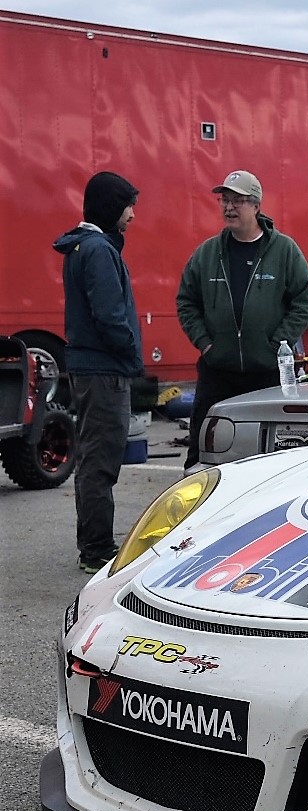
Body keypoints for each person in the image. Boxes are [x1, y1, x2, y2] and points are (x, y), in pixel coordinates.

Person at [176, 169, 308, 470]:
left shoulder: (284, 251)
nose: (228, 207)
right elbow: (186, 302)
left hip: (265, 372)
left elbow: (304, 303)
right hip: (218, 370)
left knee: (268, 453)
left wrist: (275, 343)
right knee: (203, 448)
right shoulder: (208, 254)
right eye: (224, 200)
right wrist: (206, 344)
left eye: (237, 201)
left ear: (256, 205)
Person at [53, 171, 145, 573]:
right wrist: (130, 352)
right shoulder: (99, 251)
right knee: (101, 462)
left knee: (93, 458)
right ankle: (96, 551)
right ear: (111, 206)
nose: (132, 216)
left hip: (91, 370)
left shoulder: (82, 248)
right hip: (105, 371)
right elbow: (109, 316)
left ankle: (93, 543)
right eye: (128, 207)